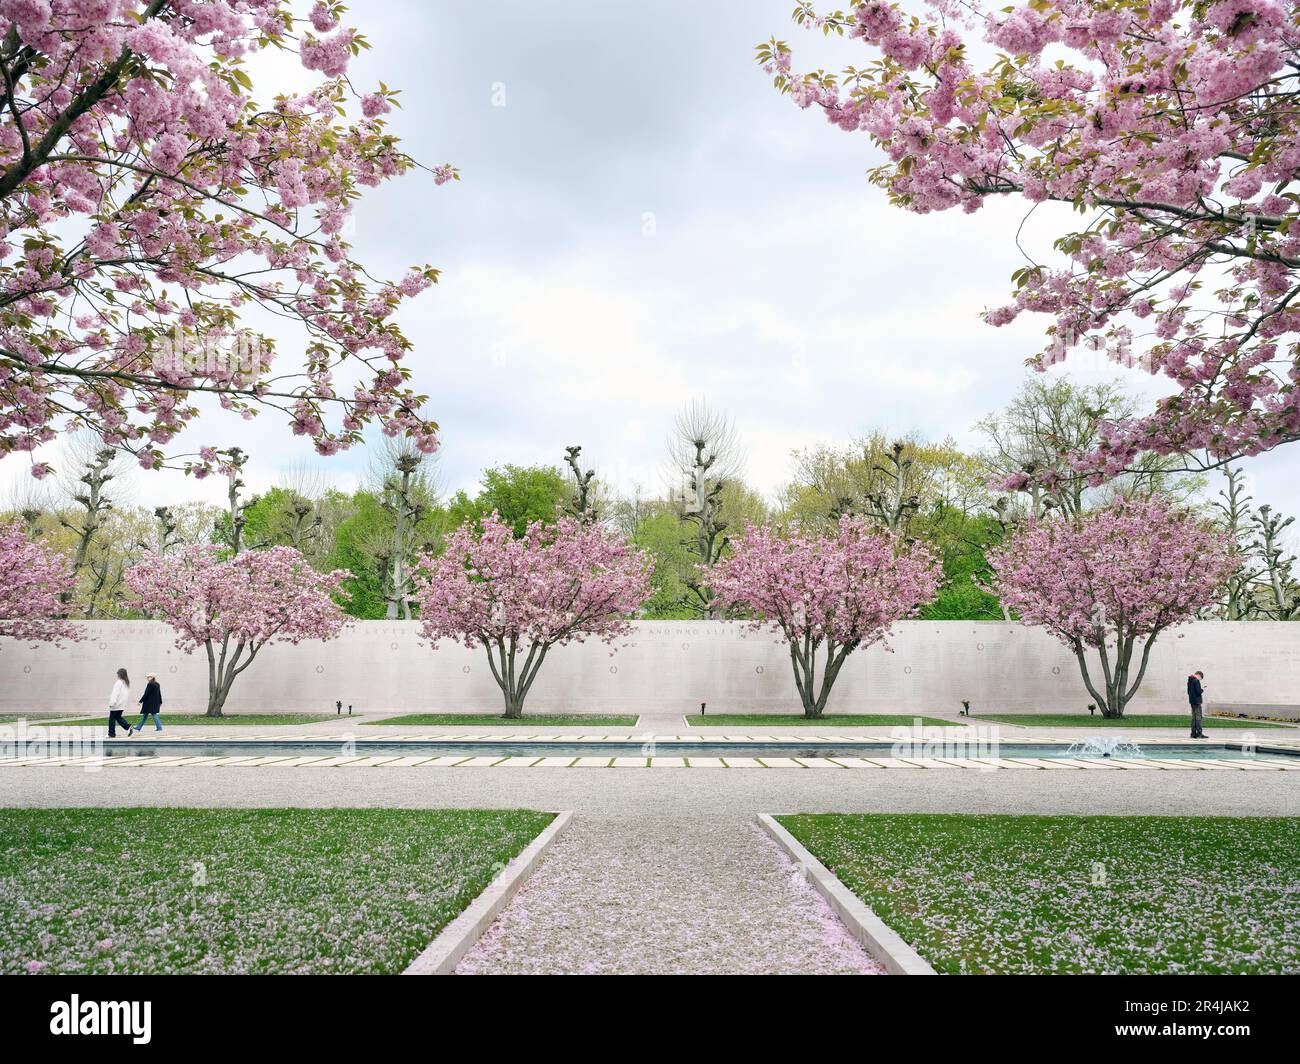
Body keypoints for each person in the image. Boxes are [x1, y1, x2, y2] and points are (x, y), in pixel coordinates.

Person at [107, 667, 134, 738]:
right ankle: (128, 727)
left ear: (119, 674)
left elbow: (115, 694)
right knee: (118, 717)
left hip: (116, 704)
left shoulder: (118, 682)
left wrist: (112, 703)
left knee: (112, 719)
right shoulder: (126, 683)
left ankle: (111, 734)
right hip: (121, 705)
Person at [1187, 670, 1206, 739]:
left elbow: (1188, 692)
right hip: (1197, 702)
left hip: (1192, 701)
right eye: (1201, 678)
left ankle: (1193, 733)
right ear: (1199, 675)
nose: (1200, 680)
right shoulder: (1196, 681)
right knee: (1198, 718)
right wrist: (1202, 689)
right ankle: (1199, 733)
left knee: (1193, 718)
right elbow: (1198, 692)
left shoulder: (1190, 681)